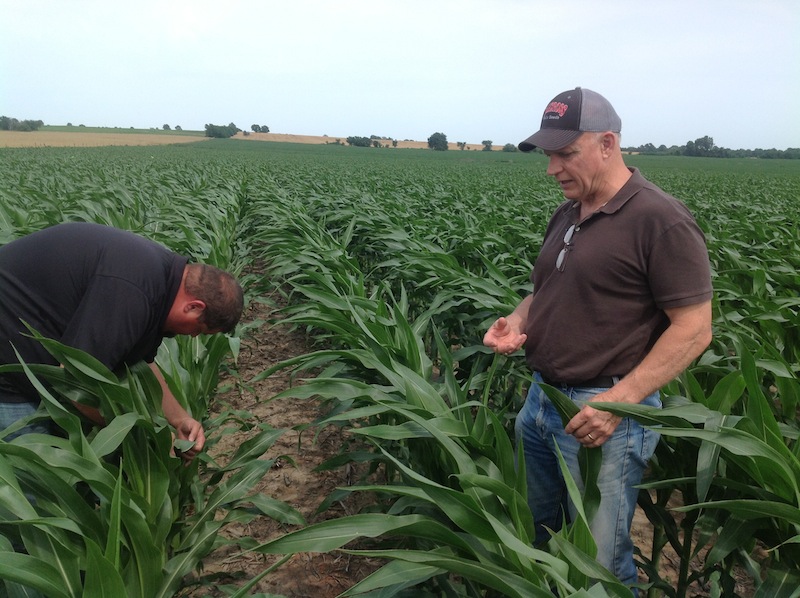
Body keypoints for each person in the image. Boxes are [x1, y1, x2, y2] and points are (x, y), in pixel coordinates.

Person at [483, 87, 713, 589]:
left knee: (599, 565)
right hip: (541, 402)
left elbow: (694, 329)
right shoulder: (569, 211)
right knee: (534, 541)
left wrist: (618, 403)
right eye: (548, 156)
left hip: (601, 415)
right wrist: (517, 320)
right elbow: (548, 288)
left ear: (607, 144)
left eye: (566, 154)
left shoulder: (660, 220)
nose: (553, 169)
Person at [0, 221, 244, 461]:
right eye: (199, 330)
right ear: (193, 307)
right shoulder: (132, 291)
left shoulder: (159, 280)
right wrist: (144, 435)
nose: (193, 337)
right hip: (9, 360)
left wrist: (181, 419)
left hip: (30, 336)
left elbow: (141, 363)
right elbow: (76, 384)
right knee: (29, 470)